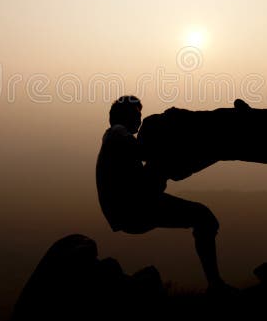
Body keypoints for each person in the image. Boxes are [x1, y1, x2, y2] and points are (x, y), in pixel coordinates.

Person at [95, 95, 234, 294]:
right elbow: (142, 151)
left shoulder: (112, 136)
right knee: (204, 217)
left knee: (200, 212)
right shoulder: (118, 133)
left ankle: (212, 152)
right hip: (135, 208)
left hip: (129, 207)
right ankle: (215, 284)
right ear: (123, 115)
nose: (139, 119)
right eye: (136, 114)